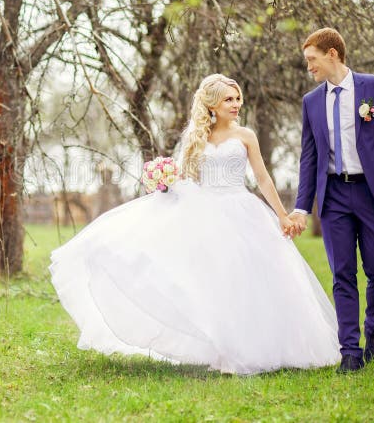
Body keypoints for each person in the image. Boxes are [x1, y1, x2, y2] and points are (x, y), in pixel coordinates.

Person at [49, 74, 340, 375]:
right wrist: (165, 182)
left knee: (244, 279)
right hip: (204, 211)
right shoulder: (196, 136)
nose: (236, 104)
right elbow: (188, 178)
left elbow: (263, 179)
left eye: (238, 98)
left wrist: (281, 214)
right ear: (212, 104)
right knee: (210, 282)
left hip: (241, 209)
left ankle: (253, 347)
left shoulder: (246, 136)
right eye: (229, 99)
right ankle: (219, 347)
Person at [288, 28, 374, 373]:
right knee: (342, 273)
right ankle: (349, 350)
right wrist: (302, 206)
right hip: (333, 197)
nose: (308, 68)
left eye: (312, 60)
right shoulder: (311, 102)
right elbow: (309, 158)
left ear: (332, 54)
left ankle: (373, 331)